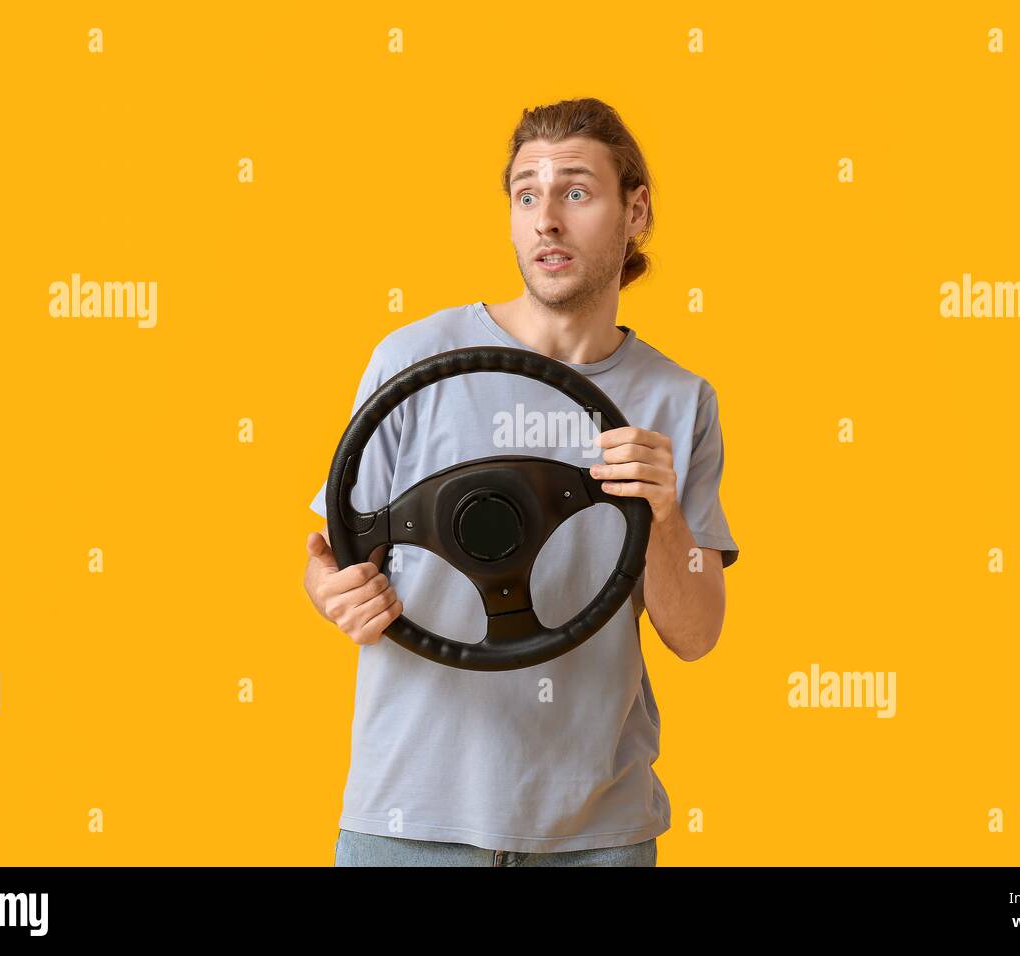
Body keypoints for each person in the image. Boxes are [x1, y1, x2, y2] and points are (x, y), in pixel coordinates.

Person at [304, 97, 737, 867]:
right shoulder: (411, 360)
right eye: (526, 194)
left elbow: (695, 634)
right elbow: (333, 555)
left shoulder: (679, 398)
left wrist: (665, 518)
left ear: (635, 210)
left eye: (576, 192)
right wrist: (331, 589)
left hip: (596, 831)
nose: (546, 221)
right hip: (408, 816)